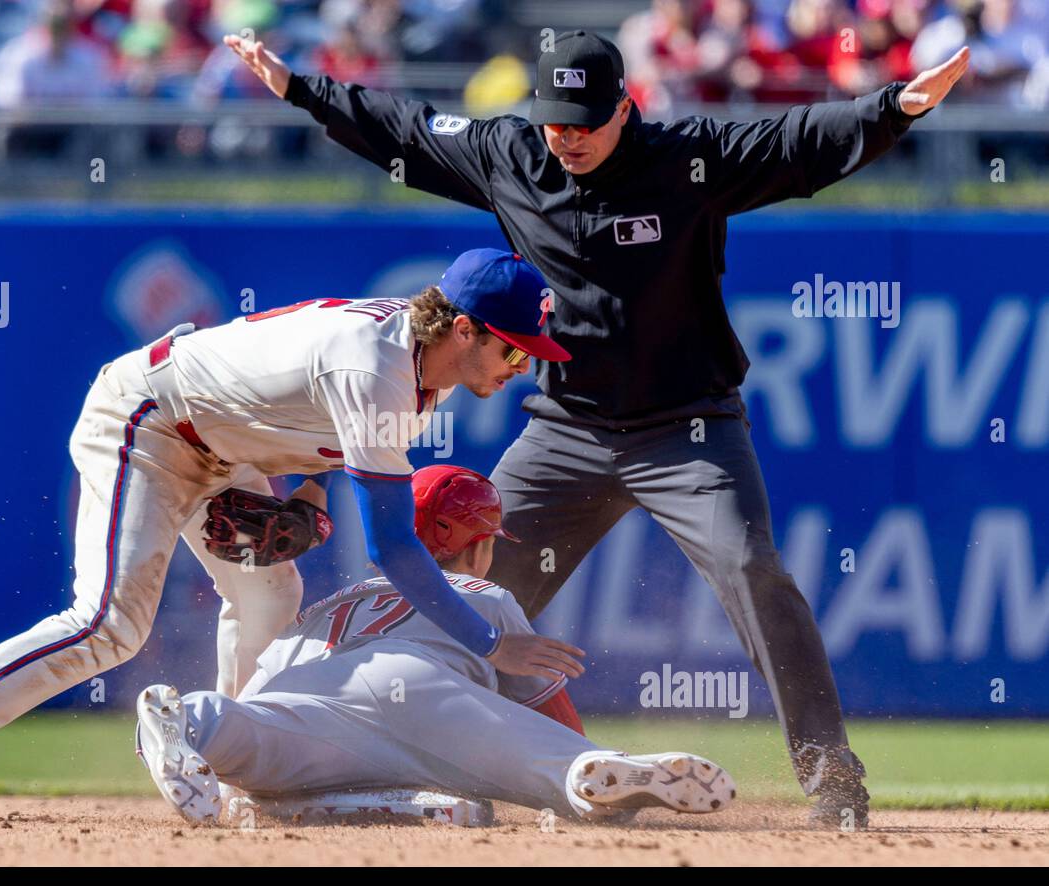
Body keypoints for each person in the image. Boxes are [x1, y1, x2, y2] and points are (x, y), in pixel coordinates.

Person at [225, 28, 972, 827]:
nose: (568, 136)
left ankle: (832, 778)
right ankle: (396, 759)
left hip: (689, 432)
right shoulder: (510, 156)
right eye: (555, 119)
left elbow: (794, 142)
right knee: (464, 598)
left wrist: (895, 107)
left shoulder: (687, 158)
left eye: (585, 118)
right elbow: (406, 129)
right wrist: (304, 89)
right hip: (564, 432)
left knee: (753, 567)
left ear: (626, 106)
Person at [0, 248, 585, 820]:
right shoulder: (382, 366)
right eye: (515, 349)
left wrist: (309, 503)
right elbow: (393, 546)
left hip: (215, 447)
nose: (522, 366)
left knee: (270, 595)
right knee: (108, 625)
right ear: (464, 329)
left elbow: (317, 436)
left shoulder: (416, 367)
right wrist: (490, 644)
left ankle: (236, 764)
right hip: (148, 421)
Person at [135, 465, 737, 822]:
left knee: (245, 731)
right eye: (488, 537)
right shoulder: (480, 593)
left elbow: (262, 684)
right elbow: (546, 709)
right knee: (550, 758)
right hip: (419, 689)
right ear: (470, 542)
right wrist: (573, 746)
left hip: (306, 689)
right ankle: (587, 776)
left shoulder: (328, 605)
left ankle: (188, 721)